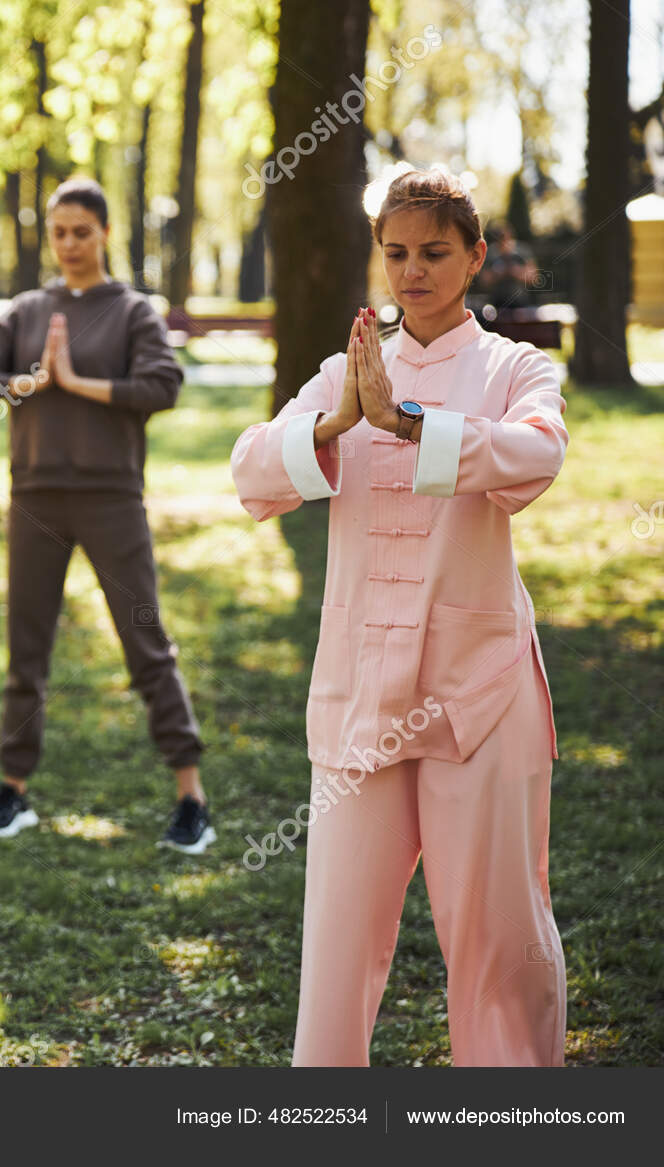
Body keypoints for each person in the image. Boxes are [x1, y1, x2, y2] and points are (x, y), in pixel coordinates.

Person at [230, 165, 567, 1065]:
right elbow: (251, 472)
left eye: (433, 253)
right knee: (335, 956)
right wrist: (337, 421)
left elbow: (538, 455)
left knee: (500, 944)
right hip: (359, 700)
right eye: (395, 254)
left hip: (480, 697)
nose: (411, 271)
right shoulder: (348, 367)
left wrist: (411, 423)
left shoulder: (512, 367)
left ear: (476, 258)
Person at [0, 176, 212, 852]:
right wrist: (24, 381)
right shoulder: (27, 311)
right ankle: (14, 789)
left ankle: (191, 796)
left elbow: (163, 386)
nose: (69, 244)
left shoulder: (132, 312)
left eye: (81, 231)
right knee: (26, 650)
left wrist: (77, 383)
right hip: (35, 496)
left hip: (110, 498)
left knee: (144, 639)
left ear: (103, 234)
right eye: (58, 232)